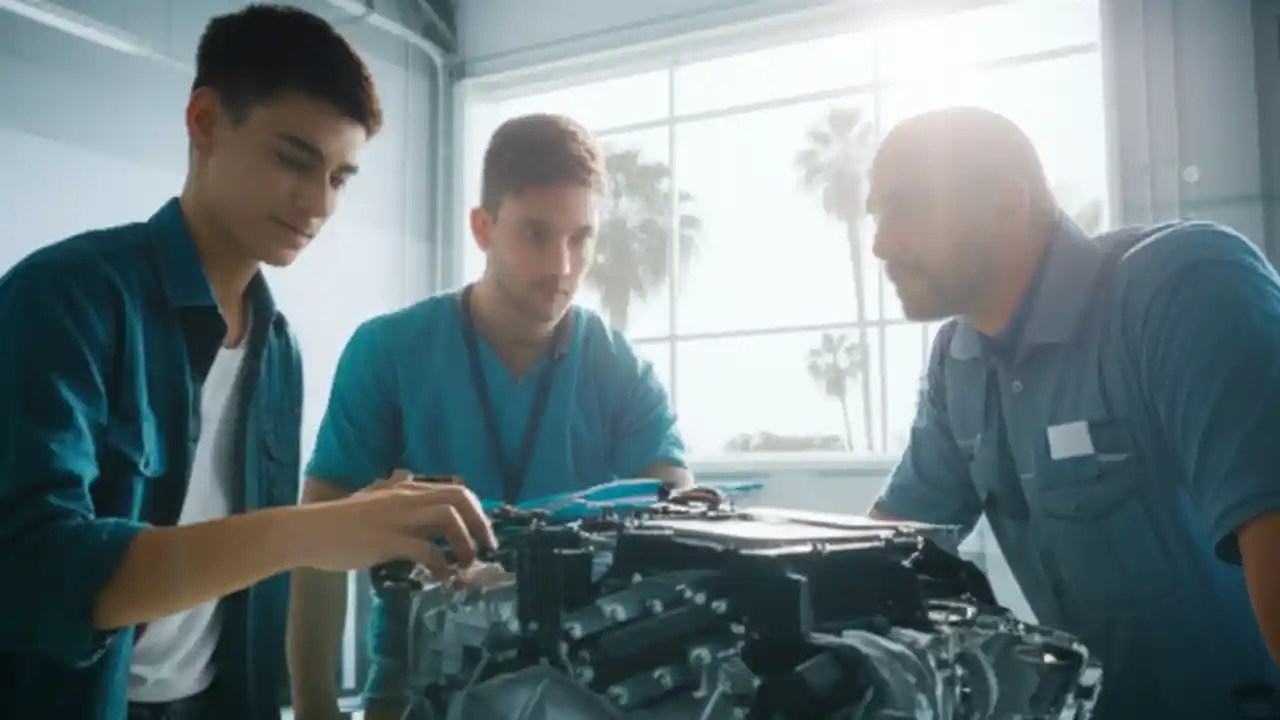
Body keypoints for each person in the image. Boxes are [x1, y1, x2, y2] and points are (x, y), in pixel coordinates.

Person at [0, 6, 495, 719]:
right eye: (294, 159)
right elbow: (36, 572)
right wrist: (312, 531)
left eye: (341, 177)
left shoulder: (279, 349)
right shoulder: (63, 300)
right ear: (204, 122)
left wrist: (350, 524)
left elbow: (251, 598)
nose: (318, 202)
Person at [867, 106, 1280, 718]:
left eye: (907, 208)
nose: (879, 245)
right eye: (877, 216)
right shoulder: (957, 358)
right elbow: (889, 542)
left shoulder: (1186, 291)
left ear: (1008, 205)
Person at [288, 113, 693, 719]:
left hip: (586, 692)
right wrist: (315, 707)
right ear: (483, 228)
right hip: (415, 692)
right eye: (535, 233)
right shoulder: (389, 352)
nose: (561, 266)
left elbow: (683, 527)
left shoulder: (619, 368)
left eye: (580, 238)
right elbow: (315, 541)